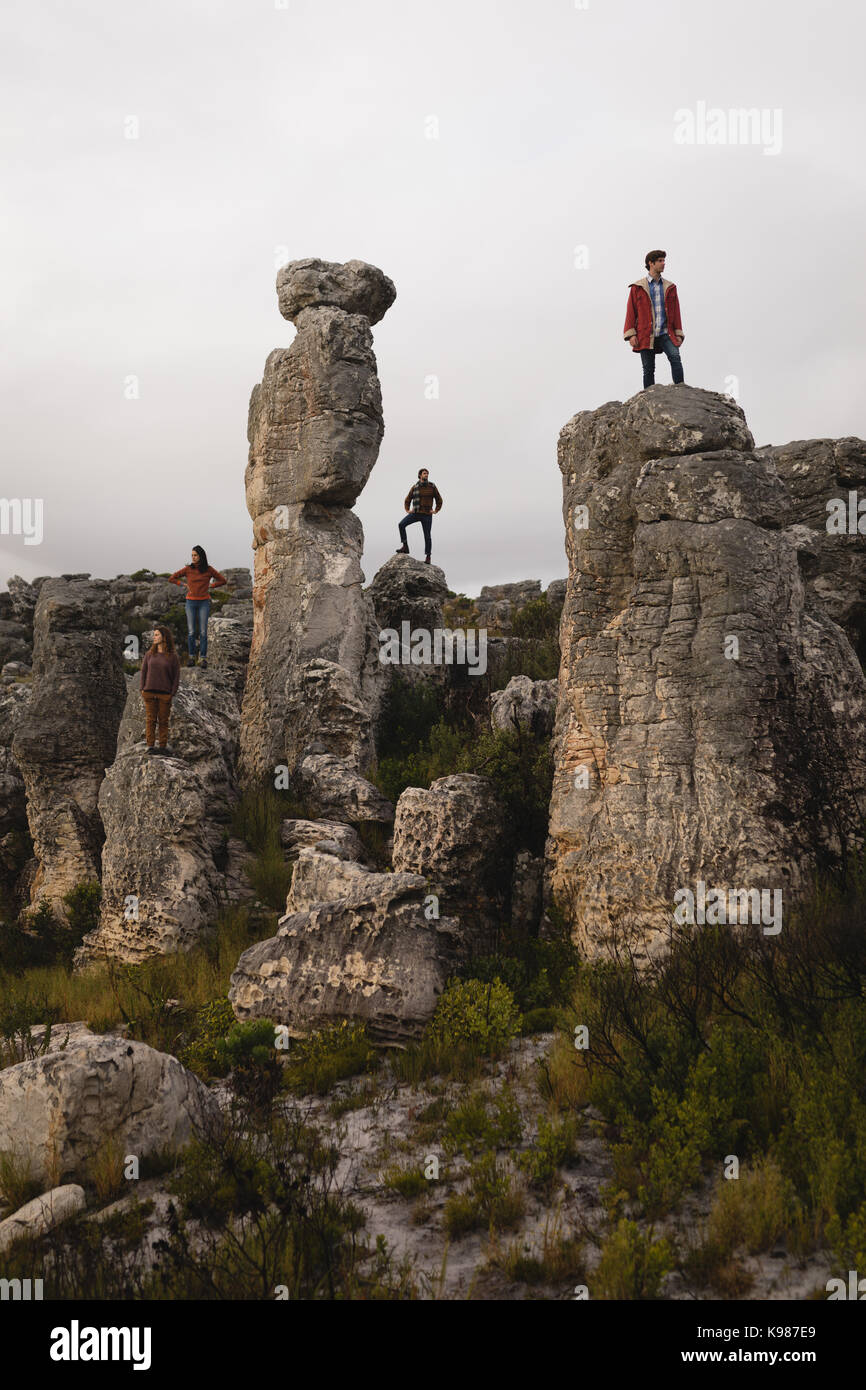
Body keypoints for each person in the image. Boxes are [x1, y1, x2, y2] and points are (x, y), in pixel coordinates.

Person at [623, 250, 685, 389]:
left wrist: (678, 333)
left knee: (675, 358)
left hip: (666, 332)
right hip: (645, 333)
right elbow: (631, 312)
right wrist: (631, 334)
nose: (664, 263)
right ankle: (648, 397)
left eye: (664, 260)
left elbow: (676, 311)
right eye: (660, 261)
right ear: (651, 263)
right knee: (648, 368)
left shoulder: (670, 287)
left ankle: (681, 390)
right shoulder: (637, 287)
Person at [169, 546, 226, 667]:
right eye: (192, 555)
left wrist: (212, 585)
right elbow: (172, 578)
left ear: (201, 556)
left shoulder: (209, 570)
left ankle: (203, 659)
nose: (193, 558)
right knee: (191, 631)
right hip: (190, 602)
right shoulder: (188, 569)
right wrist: (183, 584)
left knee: (203, 632)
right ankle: (191, 657)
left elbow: (223, 580)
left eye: (195, 555)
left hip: (204, 603)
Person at [140, 625, 180, 754]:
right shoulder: (149, 655)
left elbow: (176, 677)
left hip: (165, 694)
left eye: (157, 635)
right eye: (154, 635)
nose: (154, 637)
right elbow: (144, 672)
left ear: (164, 637)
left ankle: (162, 746)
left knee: (163, 721)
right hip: (149, 692)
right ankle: (150, 745)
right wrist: (142, 689)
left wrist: (172, 693)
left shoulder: (173, 657)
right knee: (151, 720)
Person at [396, 468, 443, 564]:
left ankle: (428, 556)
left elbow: (439, 499)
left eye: (427, 474)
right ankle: (405, 546)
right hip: (416, 513)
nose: (426, 475)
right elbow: (407, 500)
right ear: (420, 475)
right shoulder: (415, 487)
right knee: (401, 524)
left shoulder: (432, 486)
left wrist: (436, 510)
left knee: (427, 536)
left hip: (427, 515)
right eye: (424, 473)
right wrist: (408, 510)